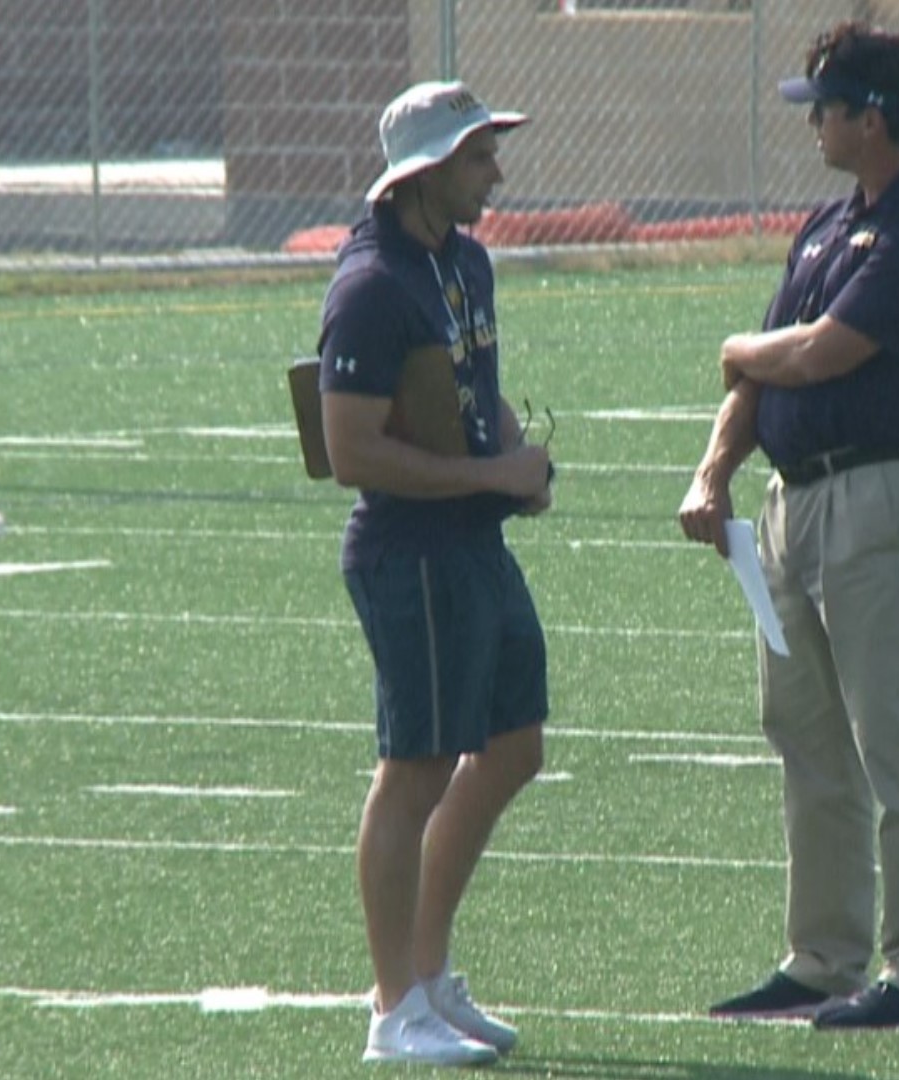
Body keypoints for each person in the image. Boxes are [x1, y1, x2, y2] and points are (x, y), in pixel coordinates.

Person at [676, 22, 899, 1031]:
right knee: (805, 738)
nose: (815, 127)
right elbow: (761, 378)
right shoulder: (823, 227)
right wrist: (714, 475)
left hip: (880, 498)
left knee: (895, 737)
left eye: (828, 108)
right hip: (791, 507)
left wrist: (739, 344)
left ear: (874, 116)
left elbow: (818, 353)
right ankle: (823, 957)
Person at [316, 79, 555, 1068]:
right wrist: (490, 475)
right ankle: (392, 1009)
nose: (495, 171)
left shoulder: (464, 261)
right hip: (410, 555)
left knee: (513, 746)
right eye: (477, 156)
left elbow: (475, 391)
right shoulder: (371, 286)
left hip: (471, 543)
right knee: (413, 769)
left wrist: (511, 455)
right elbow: (350, 450)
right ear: (424, 173)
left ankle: (429, 974)